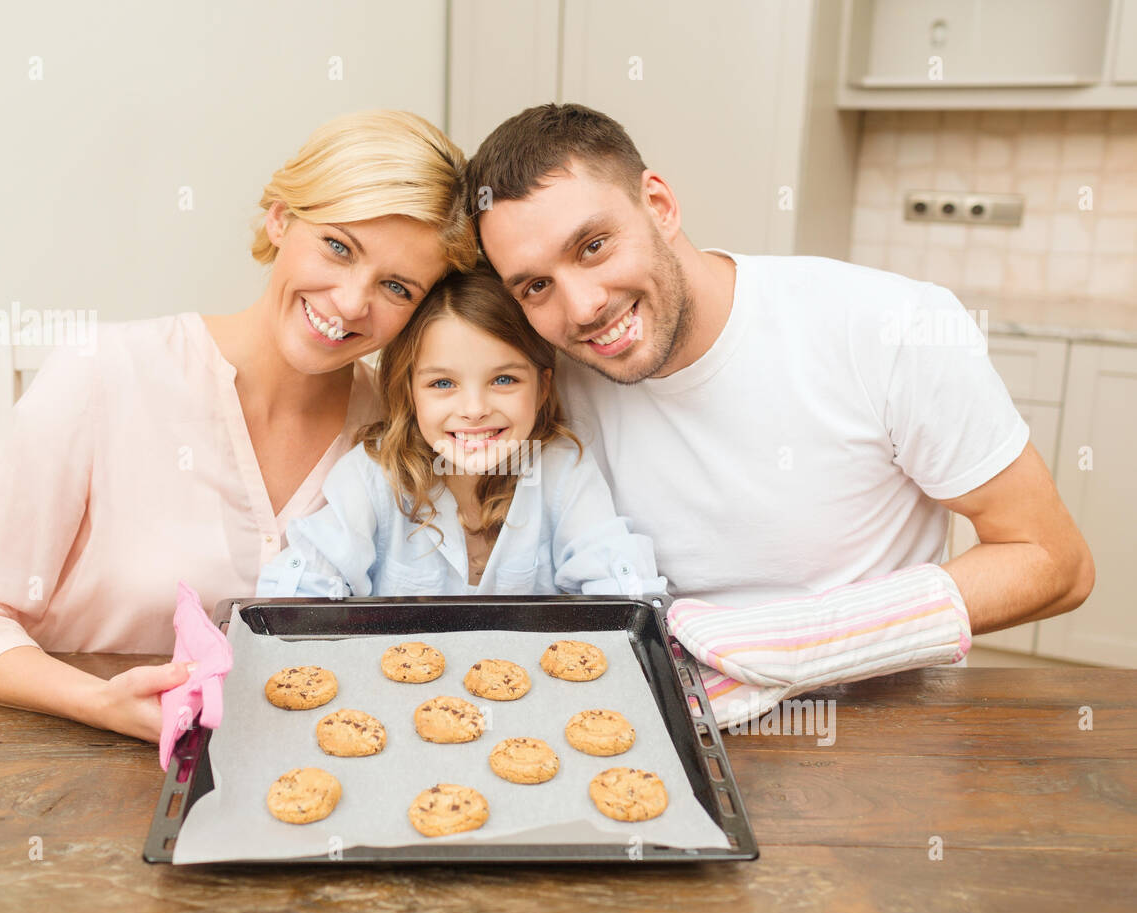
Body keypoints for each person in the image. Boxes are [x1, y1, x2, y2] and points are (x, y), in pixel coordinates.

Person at [464, 103, 1094, 723]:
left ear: (658, 206)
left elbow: (1055, 561)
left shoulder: (891, 327)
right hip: (658, 722)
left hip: (876, 725)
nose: (582, 307)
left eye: (594, 246)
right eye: (535, 286)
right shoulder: (538, 379)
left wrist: (803, 643)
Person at [0, 109, 479, 743]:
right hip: (79, 775)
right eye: (338, 247)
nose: (350, 302)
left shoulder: (403, 430)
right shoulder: (104, 373)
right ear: (280, 219)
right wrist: (101, 704)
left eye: (396, 286)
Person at [256, 265, 664, 598]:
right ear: (409, 390)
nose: (474, 410)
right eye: (443, 384)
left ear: (542, 388)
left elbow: (620, 585)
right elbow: (302, 585)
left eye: (504, 380)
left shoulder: (560, 470)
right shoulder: (373, 475)